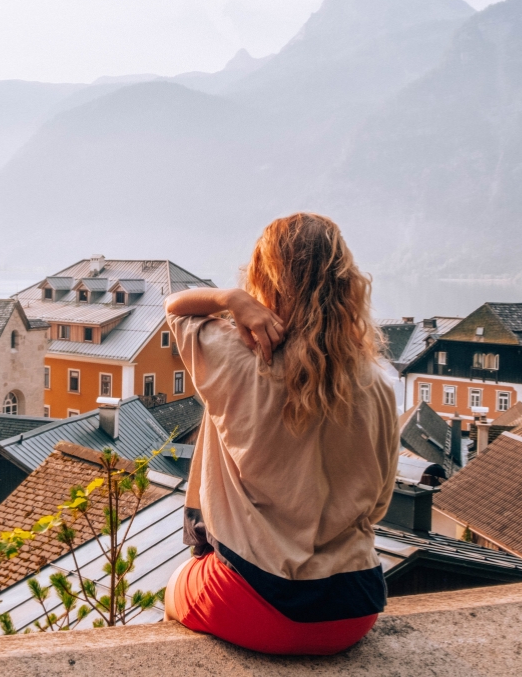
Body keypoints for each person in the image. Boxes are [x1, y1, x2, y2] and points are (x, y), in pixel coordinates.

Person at [162, 213, 398, 657]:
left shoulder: (233, 355)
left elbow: (174, 305)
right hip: (354, 608)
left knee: (176, 590)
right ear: (346, 284)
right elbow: (380, 503)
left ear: (263, 276)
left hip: (258, 600)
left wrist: (233, 299)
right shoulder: (378, 383)